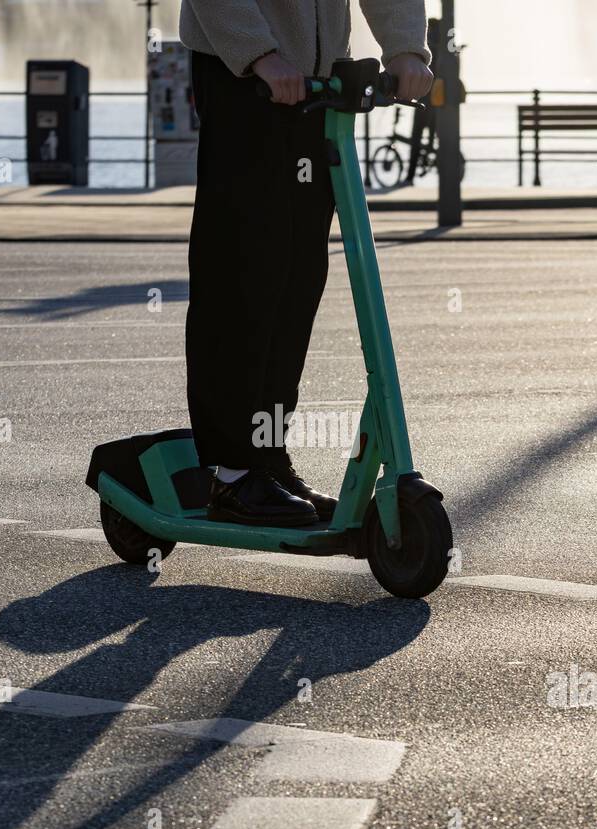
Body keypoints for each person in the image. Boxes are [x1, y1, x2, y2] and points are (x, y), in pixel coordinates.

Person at [179, 1, 434, 526]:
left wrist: (406, 49)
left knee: (295, 281)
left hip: (317, 87)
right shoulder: (252, 63)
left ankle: (266, 459)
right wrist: (259, 55)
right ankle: (231, 474)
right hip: (244, 78)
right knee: (243, 275)